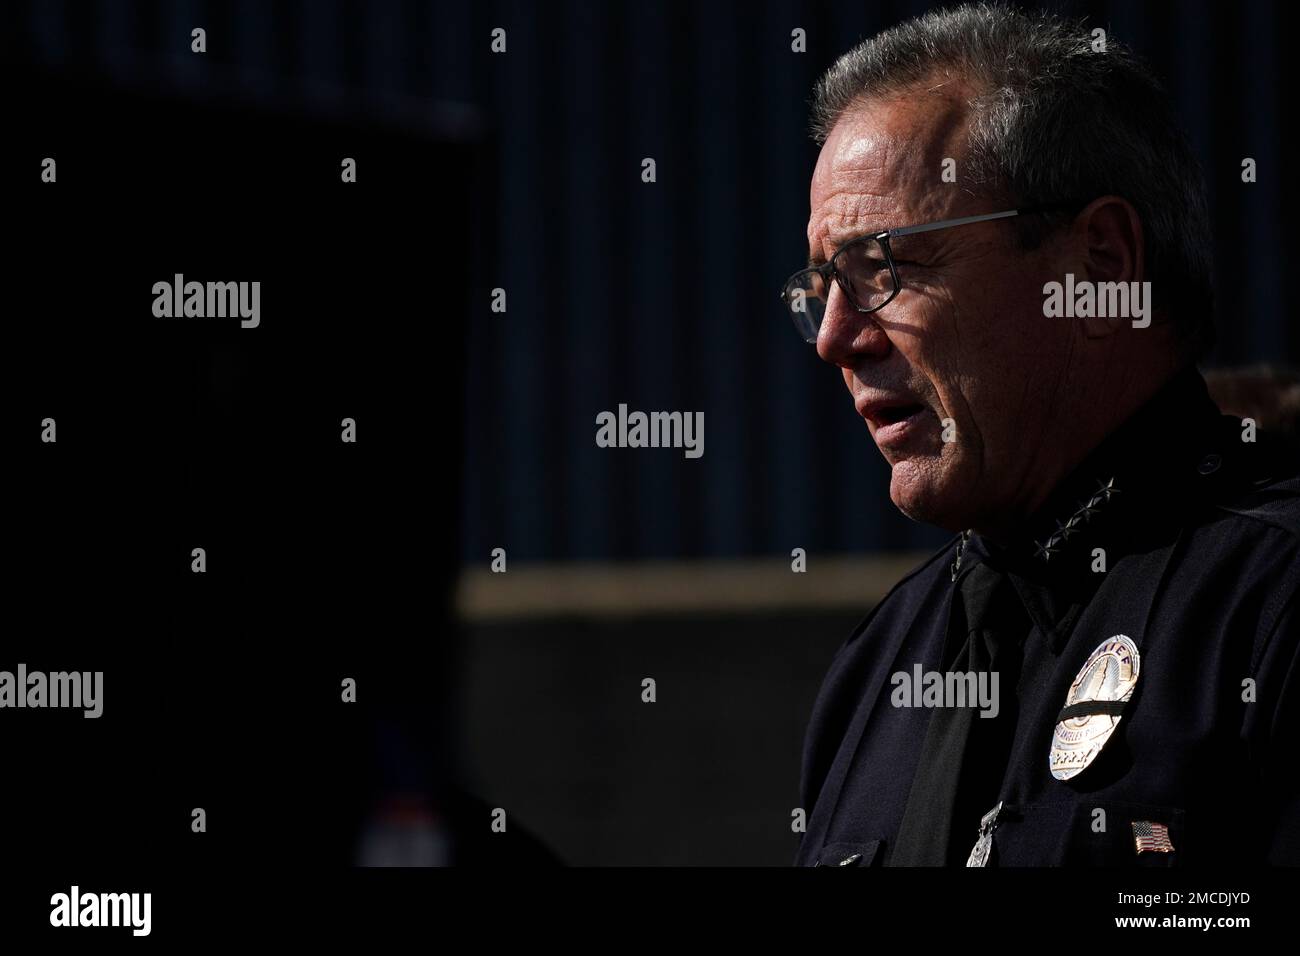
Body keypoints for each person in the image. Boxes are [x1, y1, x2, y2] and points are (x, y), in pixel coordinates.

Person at [783, 3, 1298, 866]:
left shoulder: (1270, 611)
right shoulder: (877, 666)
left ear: (1099, 263)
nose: (836, 337)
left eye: (884, 267)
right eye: (822, 285)